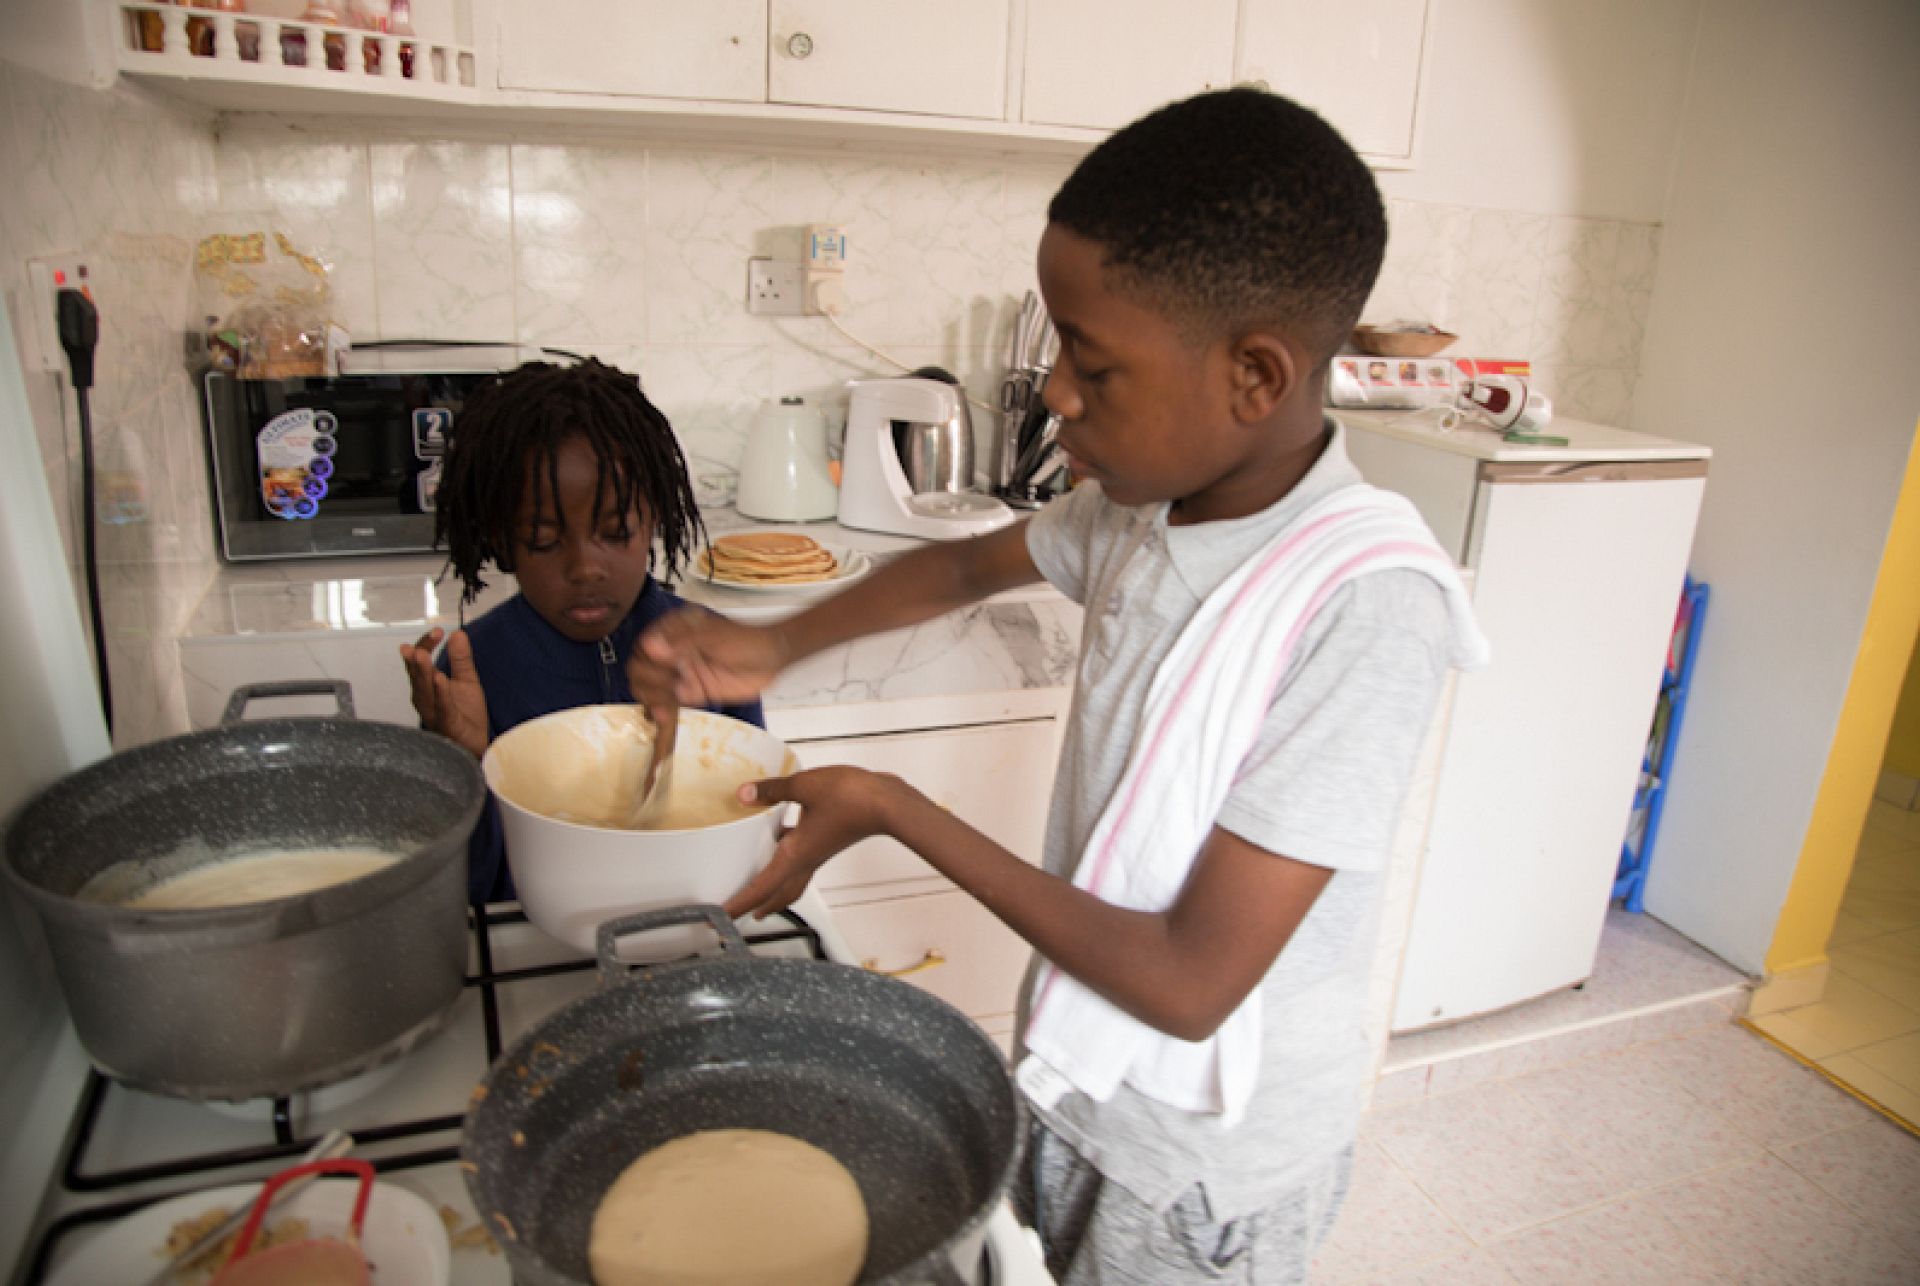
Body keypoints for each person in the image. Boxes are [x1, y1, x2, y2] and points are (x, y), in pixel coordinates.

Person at [632, 88, 1486, 1285]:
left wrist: (891, 803)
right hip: (1080, 1076)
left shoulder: (1367, 606)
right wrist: (772, 646)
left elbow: (1191, 983)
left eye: (1092, 362)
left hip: (1200, 1168)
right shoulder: (1147, 508)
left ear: (1254, 373)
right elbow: (967, 561)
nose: (1055, 397)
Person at [399, 358, 763, 905]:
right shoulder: (472, 673)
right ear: (500, 538)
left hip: (692, 936)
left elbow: (753, 837)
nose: (585, 567)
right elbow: (465, 891)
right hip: (535, 951)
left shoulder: (715, 652)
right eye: (544, 539)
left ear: (656, 517)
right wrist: (462, 763)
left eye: (615, 532)